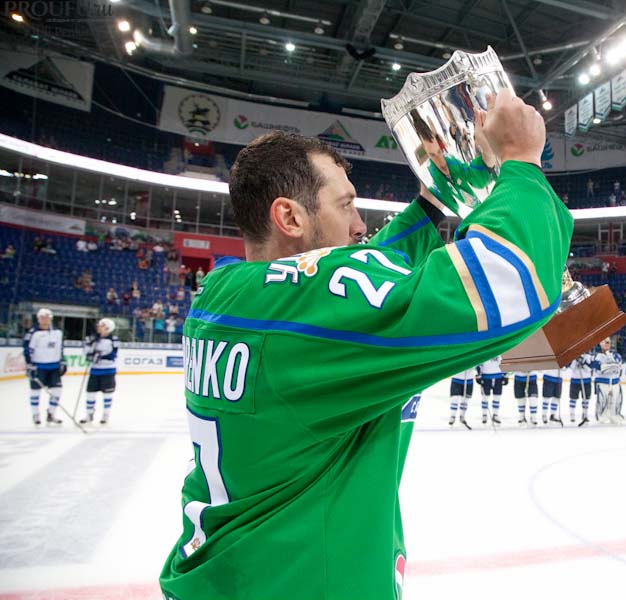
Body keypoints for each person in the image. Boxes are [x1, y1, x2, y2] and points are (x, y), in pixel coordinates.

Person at [159, 92, 569, 599]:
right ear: (290, 218)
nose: (360, 225)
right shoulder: (302, 315)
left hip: (235, 576)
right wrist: (522, 162)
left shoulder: (227, 294)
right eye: (347, 205)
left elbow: (356, 269)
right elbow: (511, 279)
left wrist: (429, 206)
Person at [23, 308, 66, 426]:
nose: (45, 319)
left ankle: (51, 414)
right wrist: (29, 365)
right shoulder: (32, 333)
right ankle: (35, 414)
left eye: (47, 317)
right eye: (42, 317)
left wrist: (63, 361)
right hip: (38, 367)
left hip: (54, 367)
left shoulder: (58, 333)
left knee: (57, 391)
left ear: (51, 318)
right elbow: (27, 350)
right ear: (38, 318)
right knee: (35, 391)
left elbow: (60, 348)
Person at [79, 318, 119, 425]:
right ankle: (89, 414)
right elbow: (86, 351)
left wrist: (99, 356)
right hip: (95, 370)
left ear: (107, 327)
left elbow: (113, 355)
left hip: (108, 370)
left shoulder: (113, 340)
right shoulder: (92, 338)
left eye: (101, 325)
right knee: (90, 393)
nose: (98, 326)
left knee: (107, 394)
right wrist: (89, 354)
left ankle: (105, 415)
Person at [592, 338, 623, 423]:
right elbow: (598, 368)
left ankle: (614, 415)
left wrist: (606, 366)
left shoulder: (616, 355)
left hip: (615, 381)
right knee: (602, 400)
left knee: (616, 400)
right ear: (600, 344)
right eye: (604, 342)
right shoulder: (597, 355)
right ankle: (601, 416)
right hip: (602, 382)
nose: (606, 344)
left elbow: (618, 367)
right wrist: (610, 366)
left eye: (608, 342)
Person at [568, 351, 593, 425]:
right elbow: (572, 368)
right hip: (575, 380)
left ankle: (585, 413)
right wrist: (576, 361)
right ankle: (572, 414)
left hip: (586, 380)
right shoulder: (573, 355)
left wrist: (583, 364)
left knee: (586, 398)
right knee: (573, 398)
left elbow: (590, 369)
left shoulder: (589, 356)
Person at [479, 356, 505, 425]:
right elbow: (478, 363)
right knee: (485, 397)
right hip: (486, 376)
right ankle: (484, 415)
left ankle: (495, 415)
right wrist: (478, 375)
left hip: (498, 376)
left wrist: (505, 375)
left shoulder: (500, 349)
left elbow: (504, 362)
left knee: (497, 396)